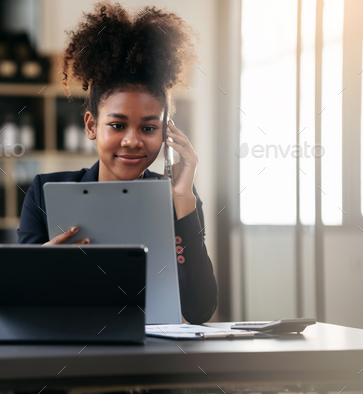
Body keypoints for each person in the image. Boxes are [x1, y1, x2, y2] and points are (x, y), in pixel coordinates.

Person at [18, 1, 217, 325]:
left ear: (166, 132)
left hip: (152, 359)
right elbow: (20, 304)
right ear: (91, 125)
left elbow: (200, 310)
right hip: (69, 355)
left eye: (149, 128)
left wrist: (183, 203)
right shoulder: (44, 193)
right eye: (117, 125)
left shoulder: (180, 200)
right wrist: (45, 268)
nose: (133, 140)